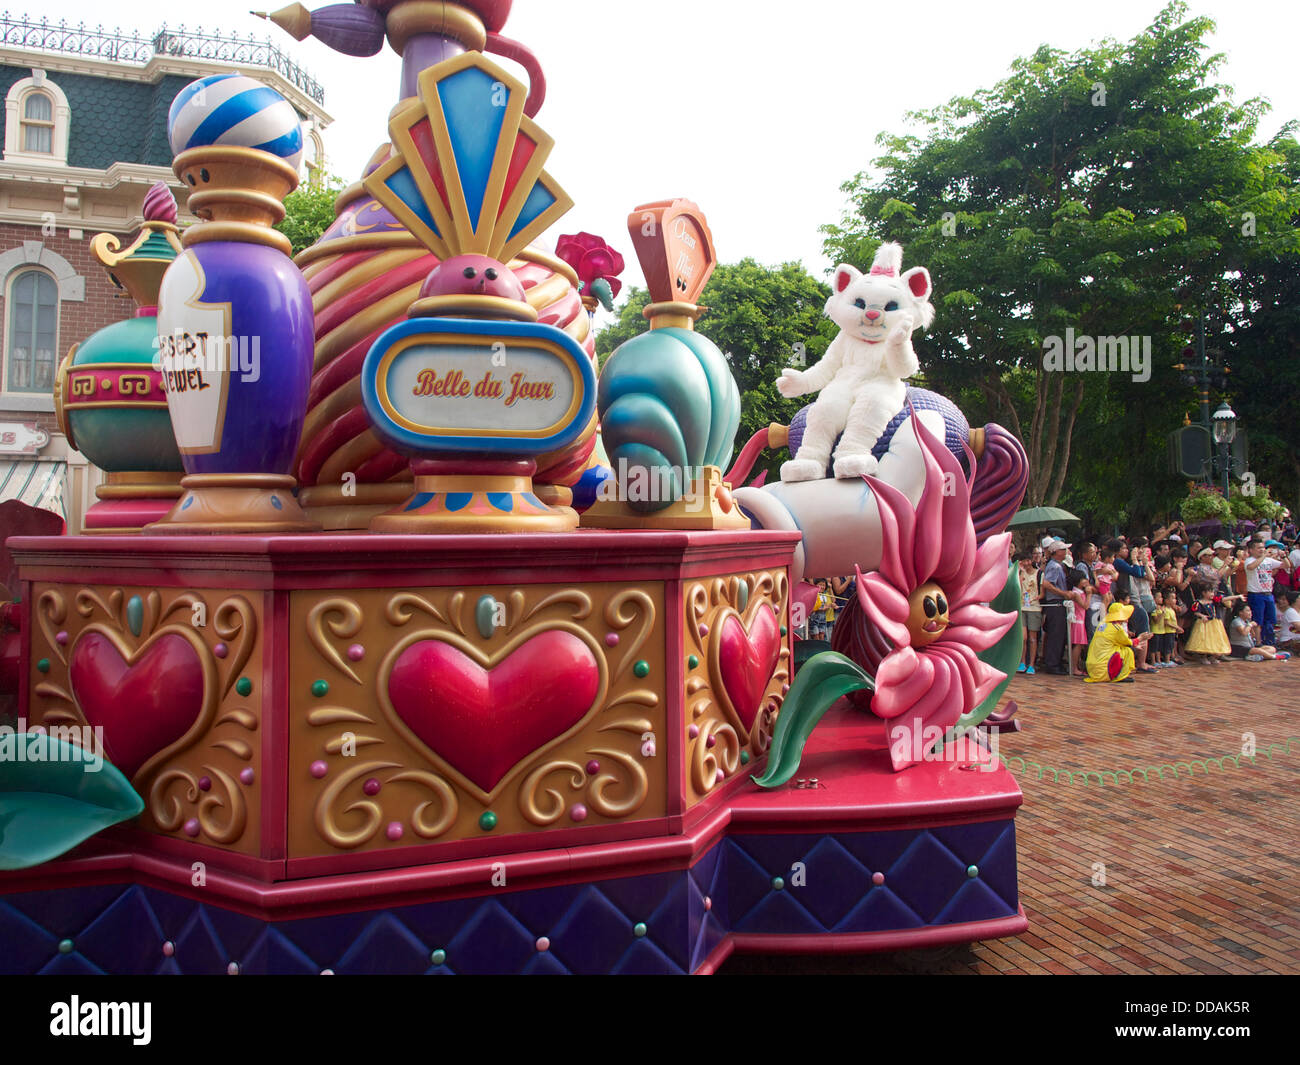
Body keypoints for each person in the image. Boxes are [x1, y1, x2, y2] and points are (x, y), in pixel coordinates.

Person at [1085, 601, 1148, 683]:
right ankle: (1120, 676)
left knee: (1121, 649)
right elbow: (1127, 642)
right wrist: (1140, 638)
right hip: (1103, 671)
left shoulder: (1103, 624)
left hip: (1093, 670)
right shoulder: (1116, 628)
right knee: (1128, 651)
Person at [1039, 540, 1071, 675]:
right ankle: (1052, 664)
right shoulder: (1055, 567)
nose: (1066, 552)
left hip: (1058, 604)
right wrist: (1063, 593)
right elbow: (1047, 584)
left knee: (1059, 634)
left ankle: (1055, 662)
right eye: (1063, 550)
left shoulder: (1059, 565)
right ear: (1056, 552)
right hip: (1055, 603)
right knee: (1056, 634)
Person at [1244, 538, 1283, 645]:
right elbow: (1251, 567)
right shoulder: (1249, 560)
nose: (1261, 550)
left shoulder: (1268, 560)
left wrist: (1283, 555)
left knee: (1270, 620)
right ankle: (1258, 642)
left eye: (1262, 547)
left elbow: (1285, 565)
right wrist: (1264, 556)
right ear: (1251, 550)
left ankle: (1269, 641)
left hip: (1268, 593)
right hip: (1256, 594)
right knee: (1257, 620)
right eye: (1259, 548)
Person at [1185, 581, 1232, 664]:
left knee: (1214, 639)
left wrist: (1237, 596)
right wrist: (1202, 616)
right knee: (1204, 640)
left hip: (1214, 623)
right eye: (1210, 592)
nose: (1212, 594)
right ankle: (1203, 656)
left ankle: (1212, 656)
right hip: (1204, 624)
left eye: (1213, 592)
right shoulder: (1198, 602)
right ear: (1203, 593)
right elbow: (1195, 611)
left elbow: (1223, 599)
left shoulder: (1214, 601)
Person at [1017, 548, 1042, 675]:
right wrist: (1020, 573)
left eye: (1027, 561)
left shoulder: (1039, 574)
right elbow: (1018, 588)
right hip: (1022, 607)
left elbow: (1042, 593)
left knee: (1033, 638)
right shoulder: (1021, 574)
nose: (1025, 564)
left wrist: (1035, 598)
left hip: (1034, 608)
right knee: (1023, 637)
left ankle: (1031, 664)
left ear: (1030, 560)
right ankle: (1022, 662)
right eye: (1023, 561)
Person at [1066, 568, 1090, 676]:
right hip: (1078, 621)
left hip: (1081, 621)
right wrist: (1089, 595)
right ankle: (1074, 667)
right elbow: (1085, 606)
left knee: (1079, 645)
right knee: (1078, 645)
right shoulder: (1076, 594)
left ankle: (1076, 666)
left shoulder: (1079, 592)